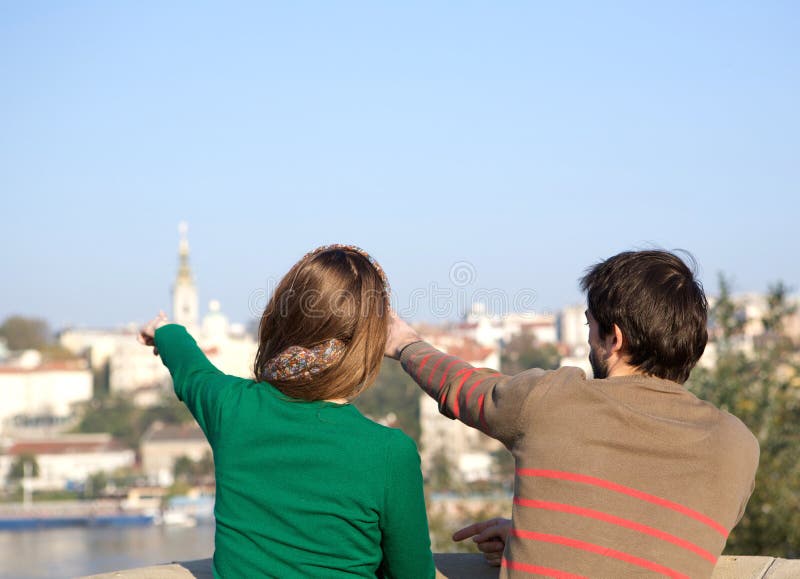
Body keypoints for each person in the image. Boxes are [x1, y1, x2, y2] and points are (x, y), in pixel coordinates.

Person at [385, 250, 759, 579]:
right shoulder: (738, 447)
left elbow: (462, 388)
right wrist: (537, 533)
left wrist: (405, 344)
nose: (588, 339)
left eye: (590, 325)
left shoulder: (550, 400)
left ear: (614, 338)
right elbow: (662, 528)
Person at [139, 245, 435, 578]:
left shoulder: (231, 409)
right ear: (370, 343)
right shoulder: (390, 454)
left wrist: (164, 331)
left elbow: (191, 369)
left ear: (281, 318)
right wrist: (409, 345)